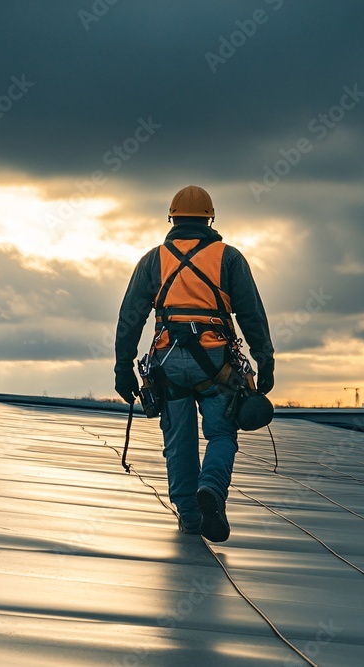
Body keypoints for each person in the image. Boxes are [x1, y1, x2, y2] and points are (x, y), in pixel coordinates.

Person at [113, 185, 275, 540]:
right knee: (221, 433)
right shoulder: (228, 258)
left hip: (167, 361)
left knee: (178, 442)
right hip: (216, 361)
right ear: (210, 219)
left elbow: (130, 319)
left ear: (172, 218)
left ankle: (189, 517)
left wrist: (122, 368)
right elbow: (251, 315)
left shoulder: (153, 259)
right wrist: (266, 361)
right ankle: (212, 491)